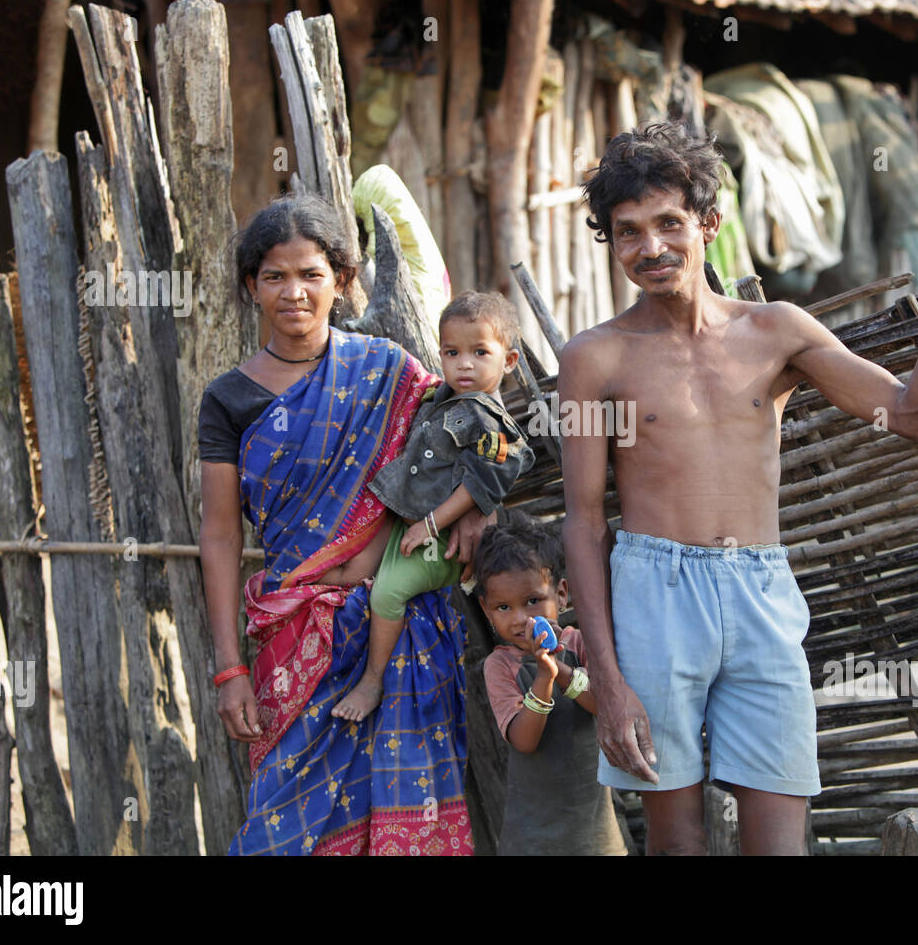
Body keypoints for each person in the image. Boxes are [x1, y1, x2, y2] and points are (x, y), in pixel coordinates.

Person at [559, 120, 918, 855]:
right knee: (676, 843)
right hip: (653, 593)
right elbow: (583, 523)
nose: (650, 248)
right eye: (627, 232)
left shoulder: (776, 332)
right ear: (610, 241)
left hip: (759, 593)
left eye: (669, 224)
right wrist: (608, 681)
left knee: (780, 843)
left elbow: (912, 416)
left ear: (708, 224)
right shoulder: (594, 360)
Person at [198, 193, 494, 855]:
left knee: (400, 813)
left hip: (400, 627)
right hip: (294, 634)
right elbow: (219, 536)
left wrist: (480, 509)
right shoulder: (229, 398)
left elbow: (475, 435)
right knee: (282, 827)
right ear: (252, 286)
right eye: (274, 276)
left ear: (342, 281)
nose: (293, 292)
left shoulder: (387, 373)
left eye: (311, 274)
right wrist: (227, 669)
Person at [329, 291, 536, 722]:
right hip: (404, 522)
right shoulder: (442, 399)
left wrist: (429, 523)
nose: (465, 363)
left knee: (388, 593)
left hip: (439, 540)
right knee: (344, 571)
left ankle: (373, 680)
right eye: (452, 352)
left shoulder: (490, 420)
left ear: (510, 361)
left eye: (481, 352)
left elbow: (489, 476)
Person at [475, 513, 628, 855]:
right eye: (503, 607)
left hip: (593, 827)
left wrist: (557, 669)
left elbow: (604, 705)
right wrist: (544, 678)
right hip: (532, 836)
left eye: (532, 600)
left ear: (561, 594)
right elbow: (524, 740)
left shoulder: (579, 645)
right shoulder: (499, 666)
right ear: (486, 610)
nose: (520, 618)